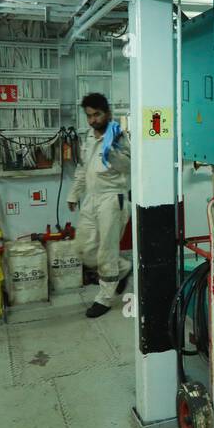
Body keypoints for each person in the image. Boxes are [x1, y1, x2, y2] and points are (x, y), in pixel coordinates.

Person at [67, 93, 132, 317]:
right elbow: (83, 168)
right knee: (82, 248)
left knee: (106, 252)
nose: (93, 120)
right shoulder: (88, 136)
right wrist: (74, 194)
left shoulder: (119, 136)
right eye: (89, 116)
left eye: (97, 114)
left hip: (112, 198)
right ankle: (123, 269)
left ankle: (104, 298)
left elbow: (129, 167)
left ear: (107, 113)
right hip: (90, 198)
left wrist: (111, 150)